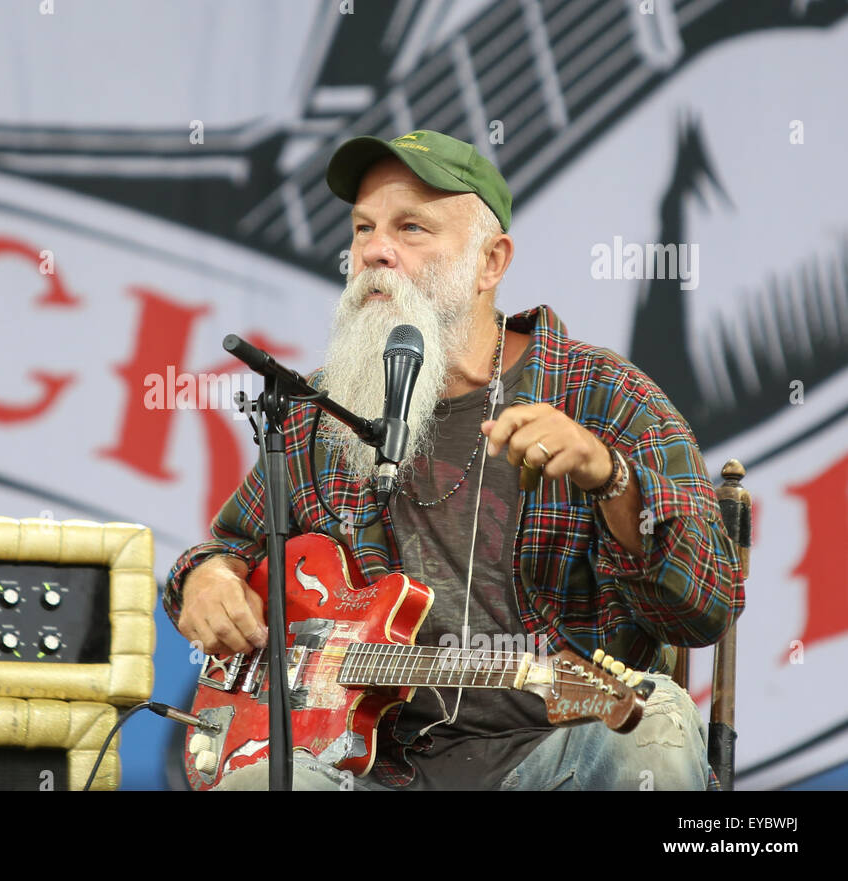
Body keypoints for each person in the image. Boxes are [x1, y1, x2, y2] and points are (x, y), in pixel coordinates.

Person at [164, 130, 744, 791]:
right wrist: (207, 577)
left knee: (657, 723)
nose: (374, 250)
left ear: (489, 262)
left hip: (553, 753)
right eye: (363, 228)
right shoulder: (317, 411)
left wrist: (611, 479)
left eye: (412, 227)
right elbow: (222, 549)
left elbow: (706, 607)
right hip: (372, 768)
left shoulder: (604, 395)